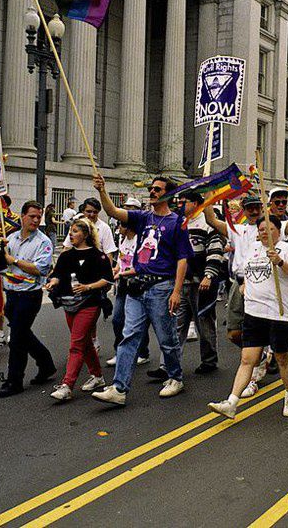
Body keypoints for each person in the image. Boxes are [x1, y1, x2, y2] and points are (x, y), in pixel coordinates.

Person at [91, 174, 190, 406]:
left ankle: (175, 377)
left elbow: (182, 260)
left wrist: (176, 291)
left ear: (167, 194)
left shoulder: (177, 222)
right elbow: (115, 212)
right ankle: (119, 388)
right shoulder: (143, 217)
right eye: (151, 188)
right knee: (130, 336)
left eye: (157, 189)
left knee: (167, 338)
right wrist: (102, 191)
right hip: (137, 286)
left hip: (161, 287)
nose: (152, 192)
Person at [205, 194, 288, 394]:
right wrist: (209, 195)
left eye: (257, 207)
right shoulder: (238, 229)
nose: (253, 211)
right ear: (244, 210)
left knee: (278, 353)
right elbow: (211, 219)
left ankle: (259, 370)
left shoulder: (277, 227)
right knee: (234, 333)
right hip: (241, 284)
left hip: (270, 287)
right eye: (249, 208)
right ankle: (260, 355)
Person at [0, 200, 56, 398]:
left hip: (29, 295)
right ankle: (46, 363)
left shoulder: (43, 242)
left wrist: (16, 261)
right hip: (11, 293)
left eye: (39, 217)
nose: (36, 220)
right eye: (32, 216)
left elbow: (40, 269)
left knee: (17, 339)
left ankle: (14, 381)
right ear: (23, 216)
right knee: (23, 333)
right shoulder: (10, 238)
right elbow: (0, 263)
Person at [45, 218, 113, 401]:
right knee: (85, 342)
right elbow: (58, 274)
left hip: (89, 304)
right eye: (70, 230)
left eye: (75, 231)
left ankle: (67, 385)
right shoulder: (66, 256)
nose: (70, 234)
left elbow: (108, 279)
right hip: (69, 304)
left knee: (76, 344)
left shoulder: (99, 256)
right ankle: (98, 377)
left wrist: (88, 287)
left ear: (85, 234)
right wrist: (53, 282)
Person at [179, 190, 225, 374]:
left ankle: (209, 360)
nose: (181, 205)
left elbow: (216, 250)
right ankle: (169, 364)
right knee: (178, 325)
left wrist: (209, 275)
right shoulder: (179, 224)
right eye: (179, 201)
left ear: (196, 203)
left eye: (185, 201)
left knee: (204, 323)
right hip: (182, 282)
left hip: (202, 282)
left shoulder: (207, 225)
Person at [108, 215, 150, 367]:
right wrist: (116, 270)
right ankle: (119, 351)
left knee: (138, 321)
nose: (119, 229)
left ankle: (143, 351)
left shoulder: (141, 240)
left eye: (121, 226)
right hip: (123, 285)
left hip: (137, 284)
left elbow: (143, 264)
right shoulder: (122, 240)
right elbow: (121, 260)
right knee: (117, 320)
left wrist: (124, 273)